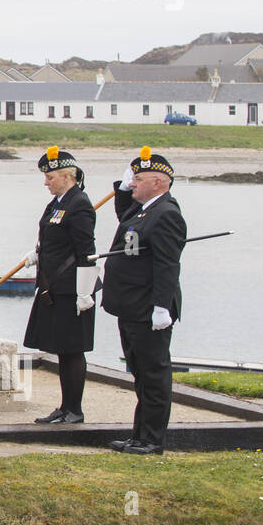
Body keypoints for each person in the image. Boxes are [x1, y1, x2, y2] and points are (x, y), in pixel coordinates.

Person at [101, 147, 187, 455]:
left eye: (138, 179)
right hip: (132, 307)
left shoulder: (167, 214)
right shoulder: (144, 210)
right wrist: (123, 189)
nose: (133, 183)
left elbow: (167, 264)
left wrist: (161, 307)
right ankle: (139, 436)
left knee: (154, 375)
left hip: (149, 309)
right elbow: (125, 219)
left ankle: (153, 440)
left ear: (159, 182)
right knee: (140, 374)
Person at [22, 147, 98, 425]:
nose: (46, 182)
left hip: (72, 290)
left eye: (50, 177)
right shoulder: (56, 203)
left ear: (68, 175)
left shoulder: (80, 204)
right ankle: (64, 408)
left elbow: (86, 252)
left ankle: (74, 410)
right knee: (61, 350)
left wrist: (84, 292)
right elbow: (53, 237)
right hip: (52, 286)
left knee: (72, 350)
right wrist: (37, 254)